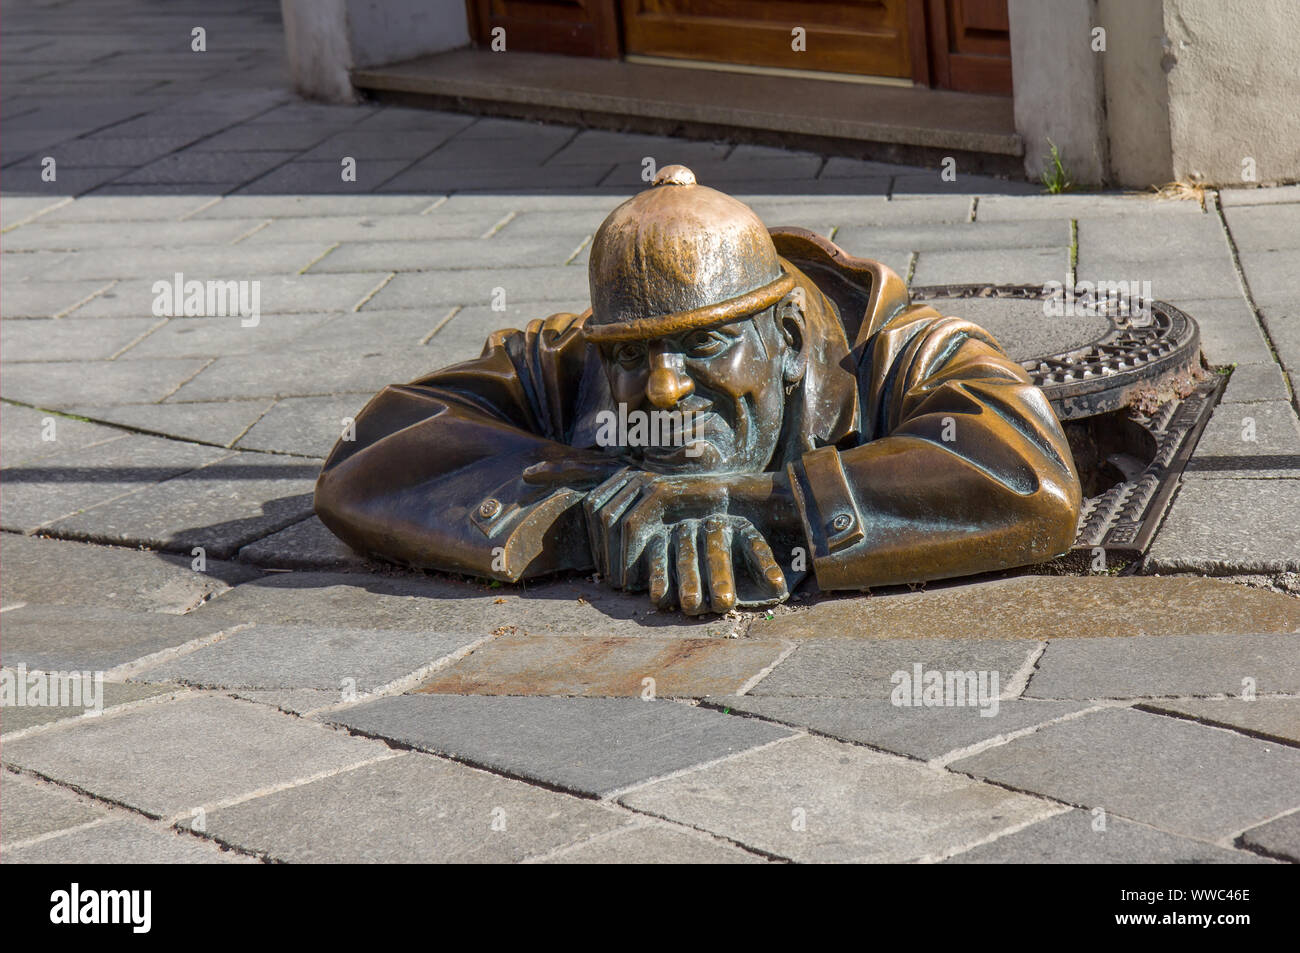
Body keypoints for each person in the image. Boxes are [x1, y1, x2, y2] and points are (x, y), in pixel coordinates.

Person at [315, 165, 1081, 615]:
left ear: (783, 340)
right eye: (636, 354)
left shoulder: (895, 349)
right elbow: (367, 452)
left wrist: (756, 500)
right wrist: (573, 503)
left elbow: (1027, 473)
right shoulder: (573, 357)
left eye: (705, 345)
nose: (662, 387)